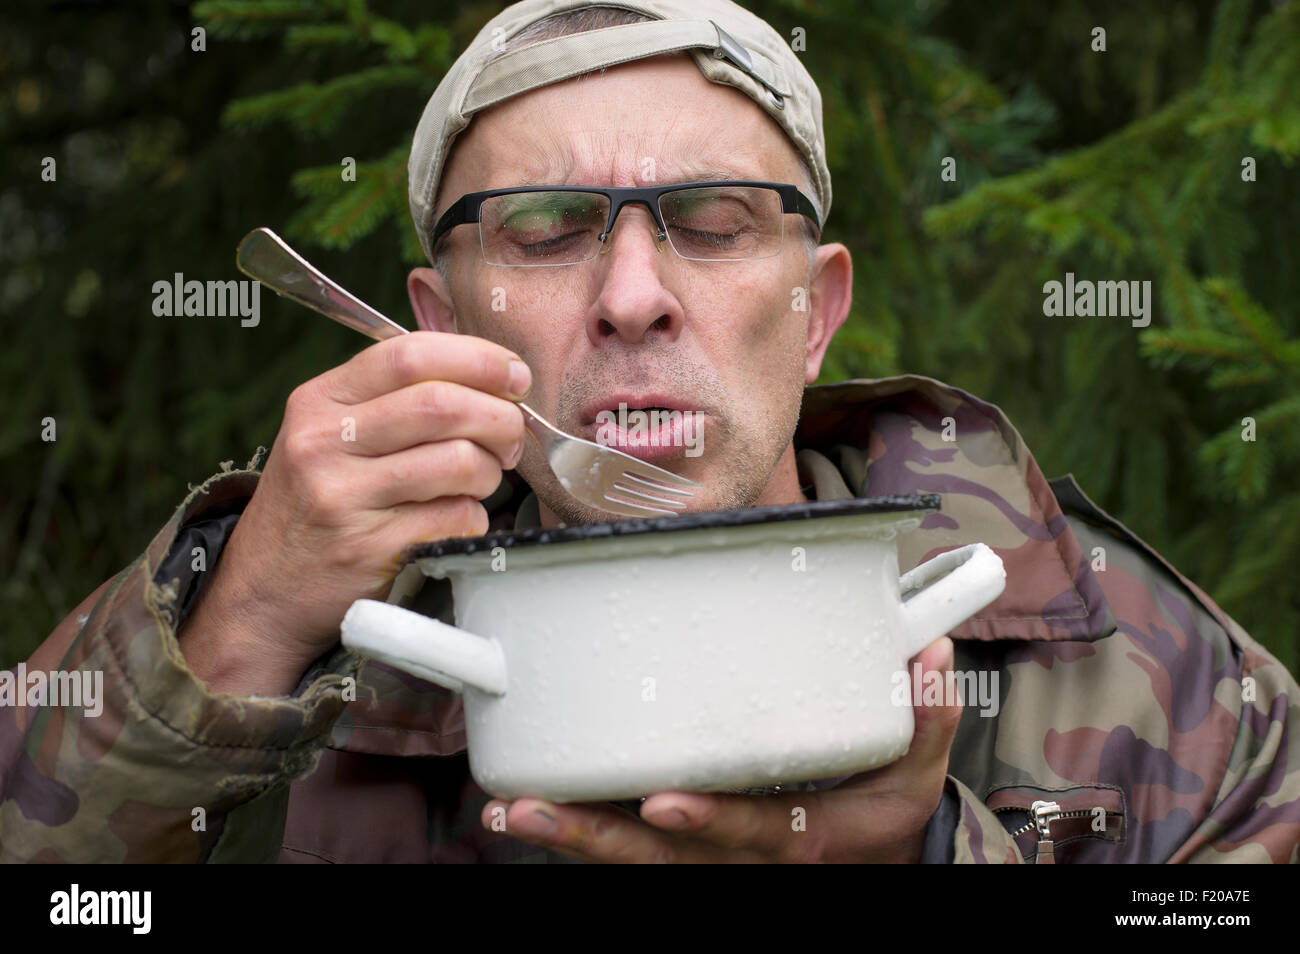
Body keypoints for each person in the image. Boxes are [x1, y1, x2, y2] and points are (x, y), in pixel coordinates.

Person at [2, 0, 1297, 864]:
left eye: (719, 220)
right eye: (546, 228)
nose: (632, 295)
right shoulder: (332, 637)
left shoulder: (1136, 661)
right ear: (437, 320)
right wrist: (240, 616)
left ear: (814, 310)